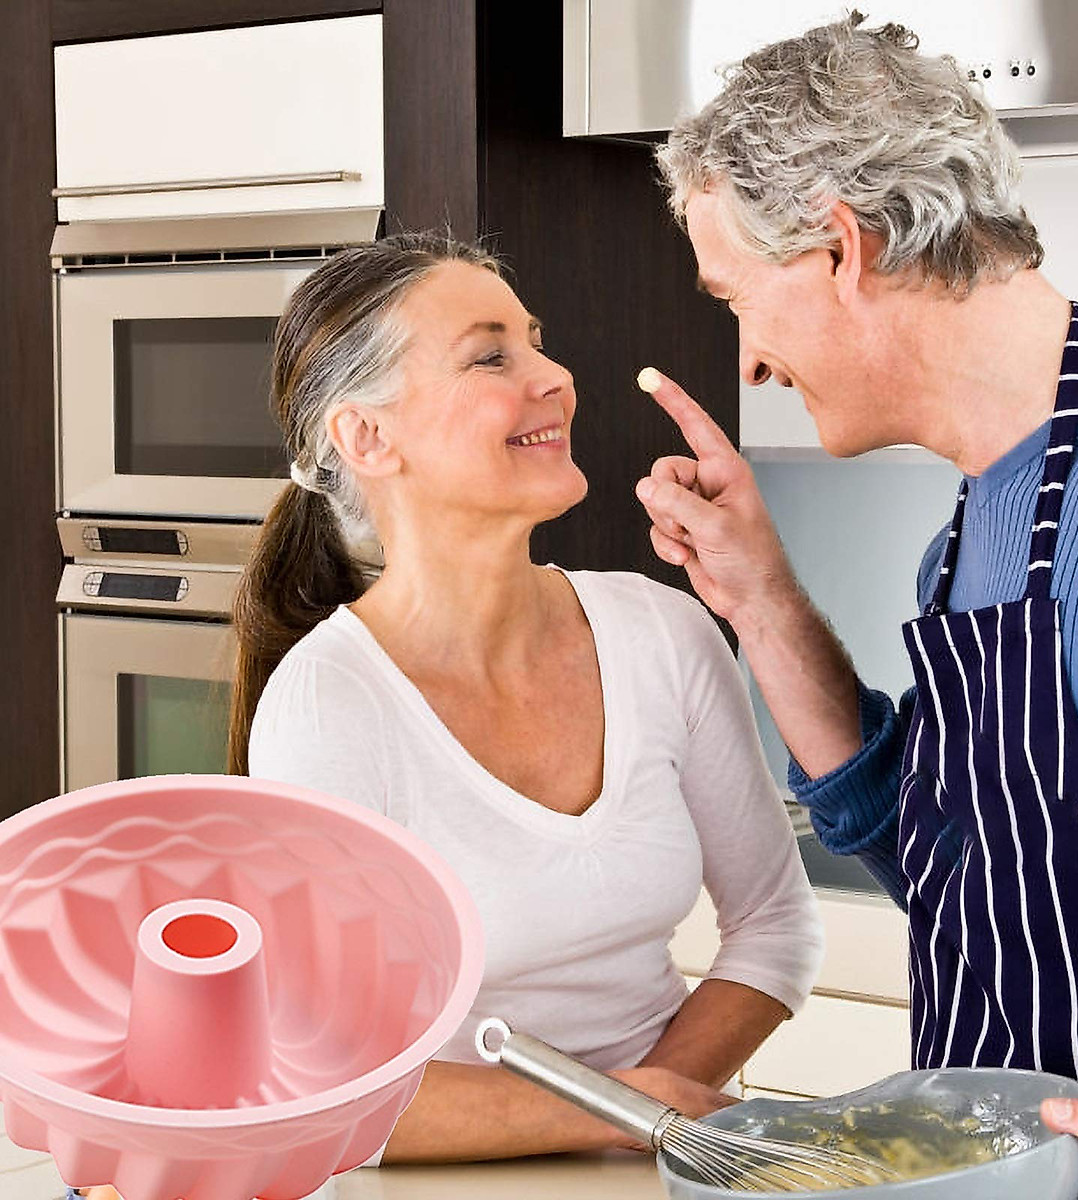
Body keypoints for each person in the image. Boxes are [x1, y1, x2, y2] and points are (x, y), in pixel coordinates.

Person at [634, 13, 1078, 1200]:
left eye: (738, 297)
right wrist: (761, 597)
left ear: (843, 247)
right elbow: (958, 877)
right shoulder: (963, 536)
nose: (748, 362)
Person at [221, 232, 822, 1165]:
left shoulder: (662, 633)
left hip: (667, 1170)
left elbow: (776, 927)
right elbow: (321, 1085)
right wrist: (623, 1109)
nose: (555, 375)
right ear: (368, 437)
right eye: (492, 354)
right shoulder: (328, 705)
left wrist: (657, 1114)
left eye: (535, 340)